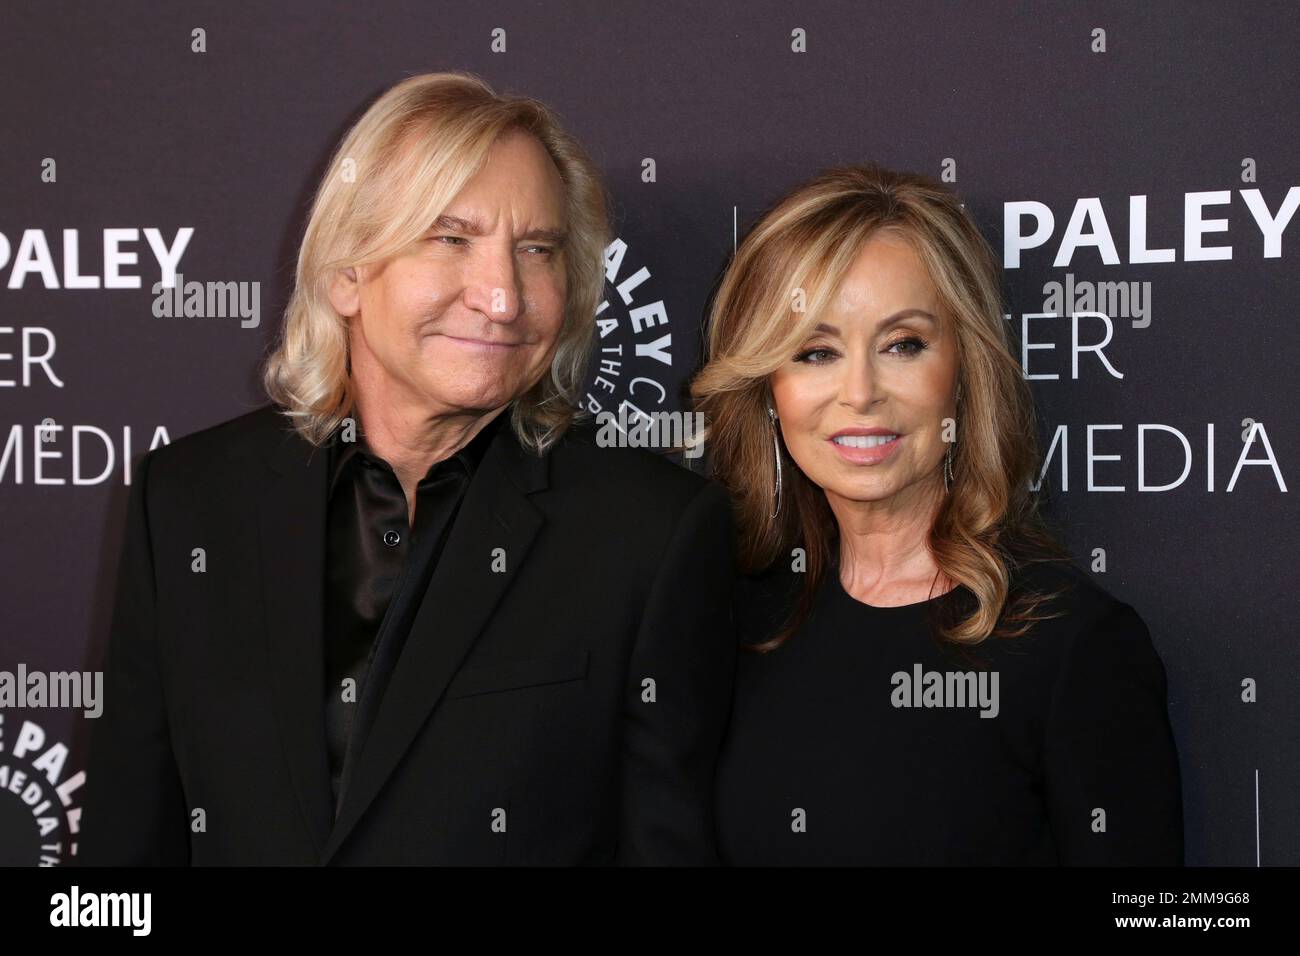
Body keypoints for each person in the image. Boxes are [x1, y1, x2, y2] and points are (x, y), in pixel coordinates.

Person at [79, 72, 736, 865]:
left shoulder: (648, 532)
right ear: (345, 271)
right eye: (451, 238)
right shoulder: (186, 501)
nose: (502, 296)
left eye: (536, 250)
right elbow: (117, 867)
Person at [694, 164, 1183, 865]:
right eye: (816, 351)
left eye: (903, 344)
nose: (859, 393)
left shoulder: (1070, 645)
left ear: (964, 369)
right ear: (769, 389)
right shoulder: (730, 624)